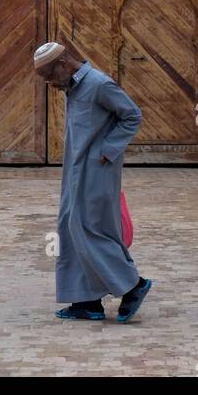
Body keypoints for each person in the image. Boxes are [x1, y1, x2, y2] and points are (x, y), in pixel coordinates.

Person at [34, 40, 153, 323]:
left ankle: (133, 286)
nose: (50, 83)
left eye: (50, 76)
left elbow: (132, 115)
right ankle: (86, 301)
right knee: (69, 226)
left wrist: (108, 150)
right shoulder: (73, 87)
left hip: (98, 170)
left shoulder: (99, 84)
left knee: (88, 228)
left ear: (63, 64)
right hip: (74, 170)